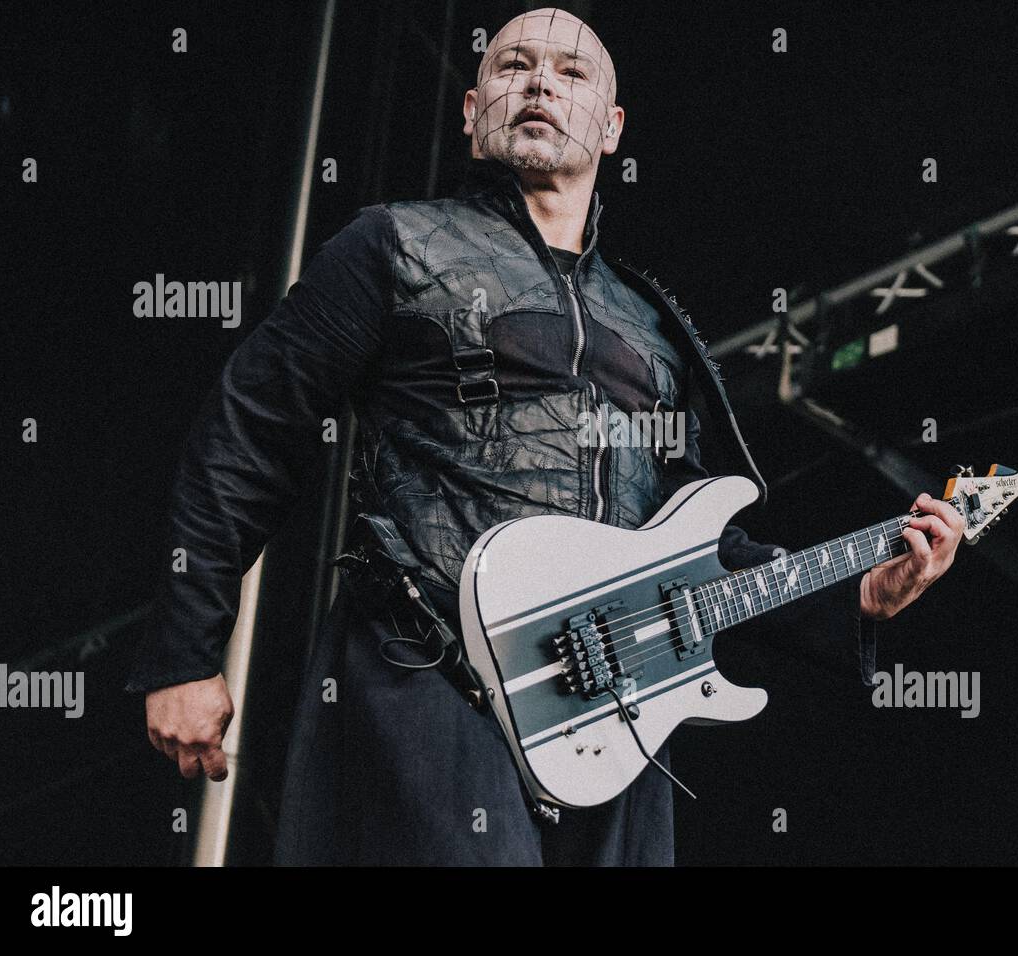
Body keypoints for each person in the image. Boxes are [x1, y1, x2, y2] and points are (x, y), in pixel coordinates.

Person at [125, 7, 964, 865]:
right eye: (512, 65)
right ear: (471, 108)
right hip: (434, 677)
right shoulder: (394, 245)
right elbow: (248, 433)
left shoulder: (651, 327)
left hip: (617, 713)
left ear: (612, 126)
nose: (537, 82)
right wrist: (186, 651)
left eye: (569, 73)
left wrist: (855, 594)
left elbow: (699, 550)